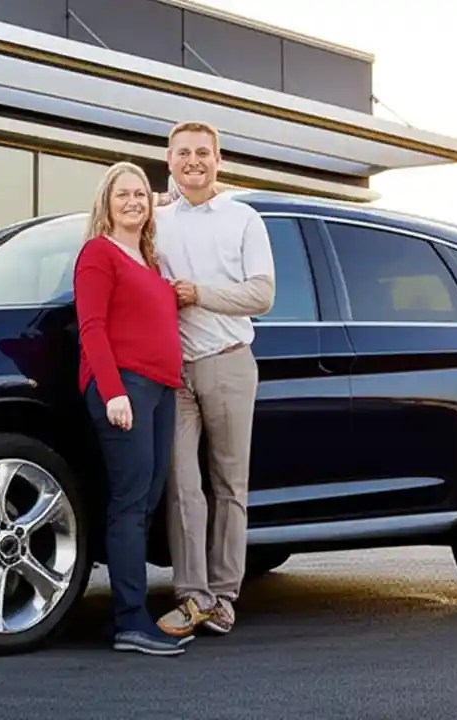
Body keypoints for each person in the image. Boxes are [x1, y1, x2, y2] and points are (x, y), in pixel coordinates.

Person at [153, 121, 275, 638]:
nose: (193, 162)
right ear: (169, 160)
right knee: (183, 487)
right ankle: (192, 597)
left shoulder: (244, 219)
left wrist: (197, 294)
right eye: (183, 154)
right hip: (172, 371)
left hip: (228, 362)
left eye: (203, 153)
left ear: (218, 160)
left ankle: (224, 598)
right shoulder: (157, 221)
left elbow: (262, 295)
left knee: (229, 486)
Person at [74, 161, 189, 656]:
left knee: (144, 500)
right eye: (122, 194)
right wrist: (113, 390)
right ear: (106, 202)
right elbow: (92, 327)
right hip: (126, 388)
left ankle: (126, 611)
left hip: (162, 389)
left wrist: (169, 199)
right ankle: (130, 621)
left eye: (141, 194)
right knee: (129, 501)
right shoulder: (98, 254)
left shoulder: (149, 262)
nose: (133, 202)